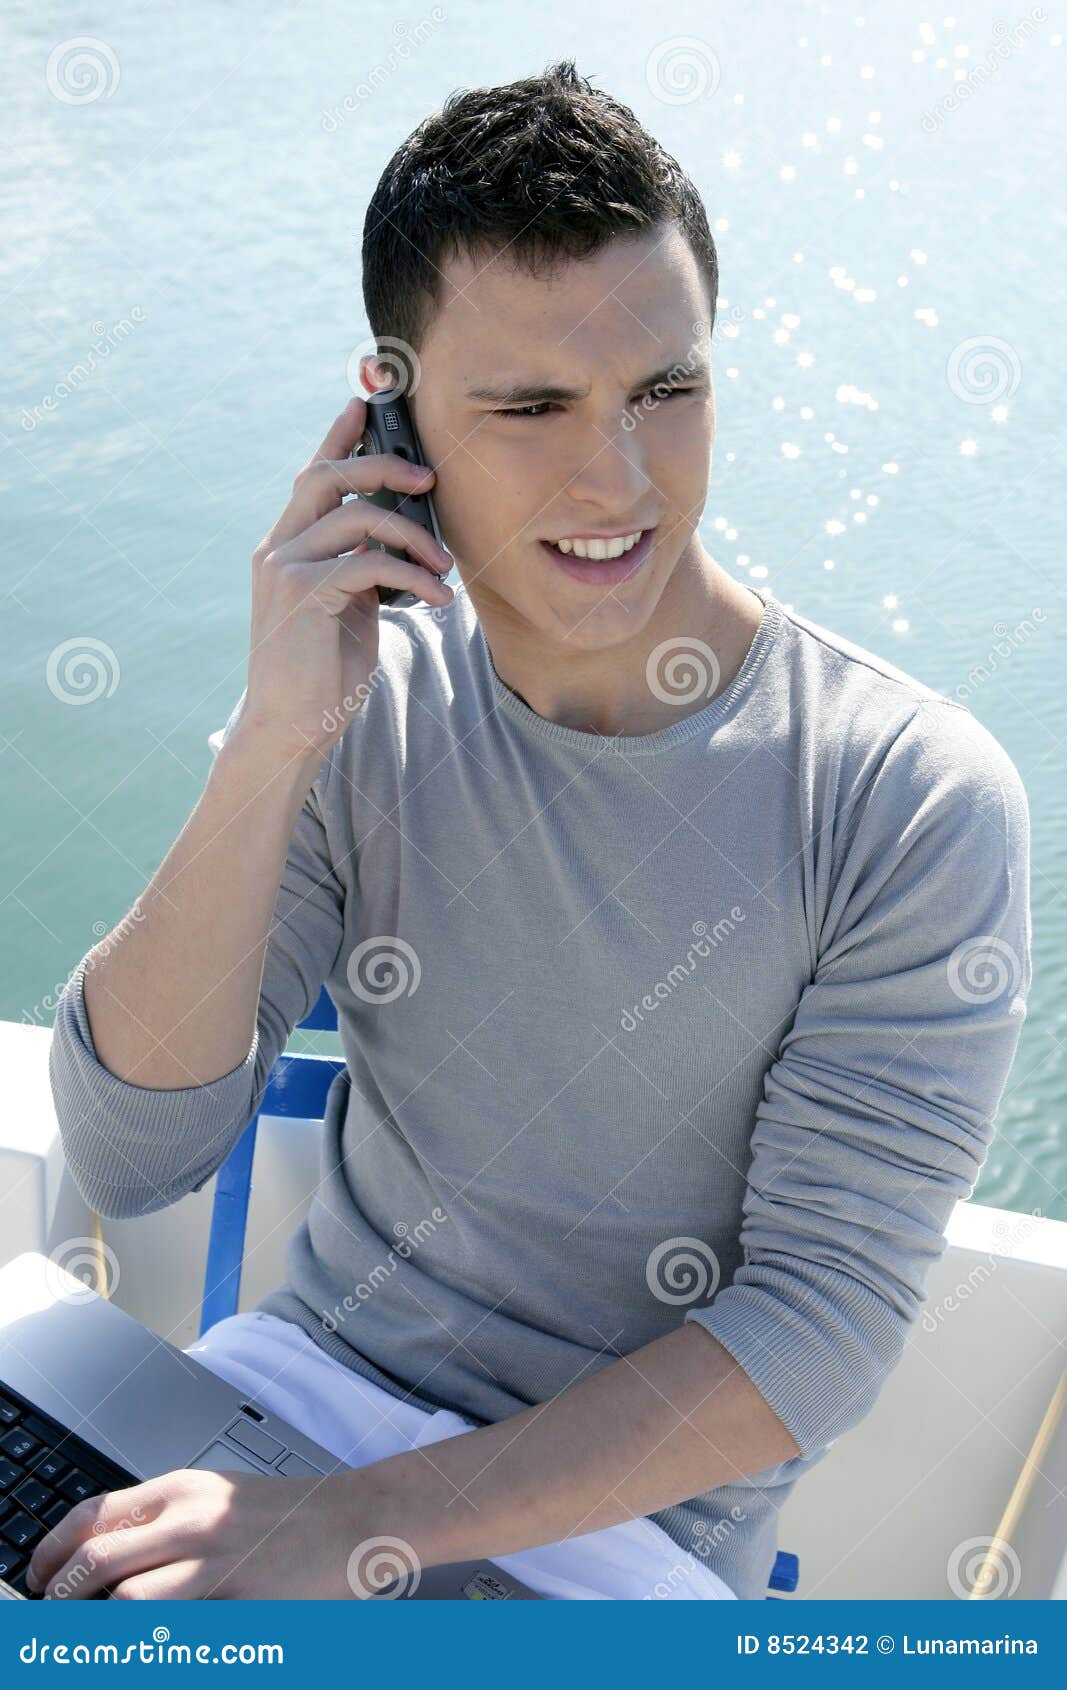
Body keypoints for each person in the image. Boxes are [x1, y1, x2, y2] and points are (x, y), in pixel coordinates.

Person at [37, 60, 1030, 1601]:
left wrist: (360, 1525)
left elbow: (814, 1327)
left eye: (666, 390)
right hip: (270, 1428)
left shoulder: (904, 795)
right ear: (393, 413)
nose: (619, 479)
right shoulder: (360, 697)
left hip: (606, 1556)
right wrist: (273, 744)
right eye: (531, 407)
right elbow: (131, 1148)